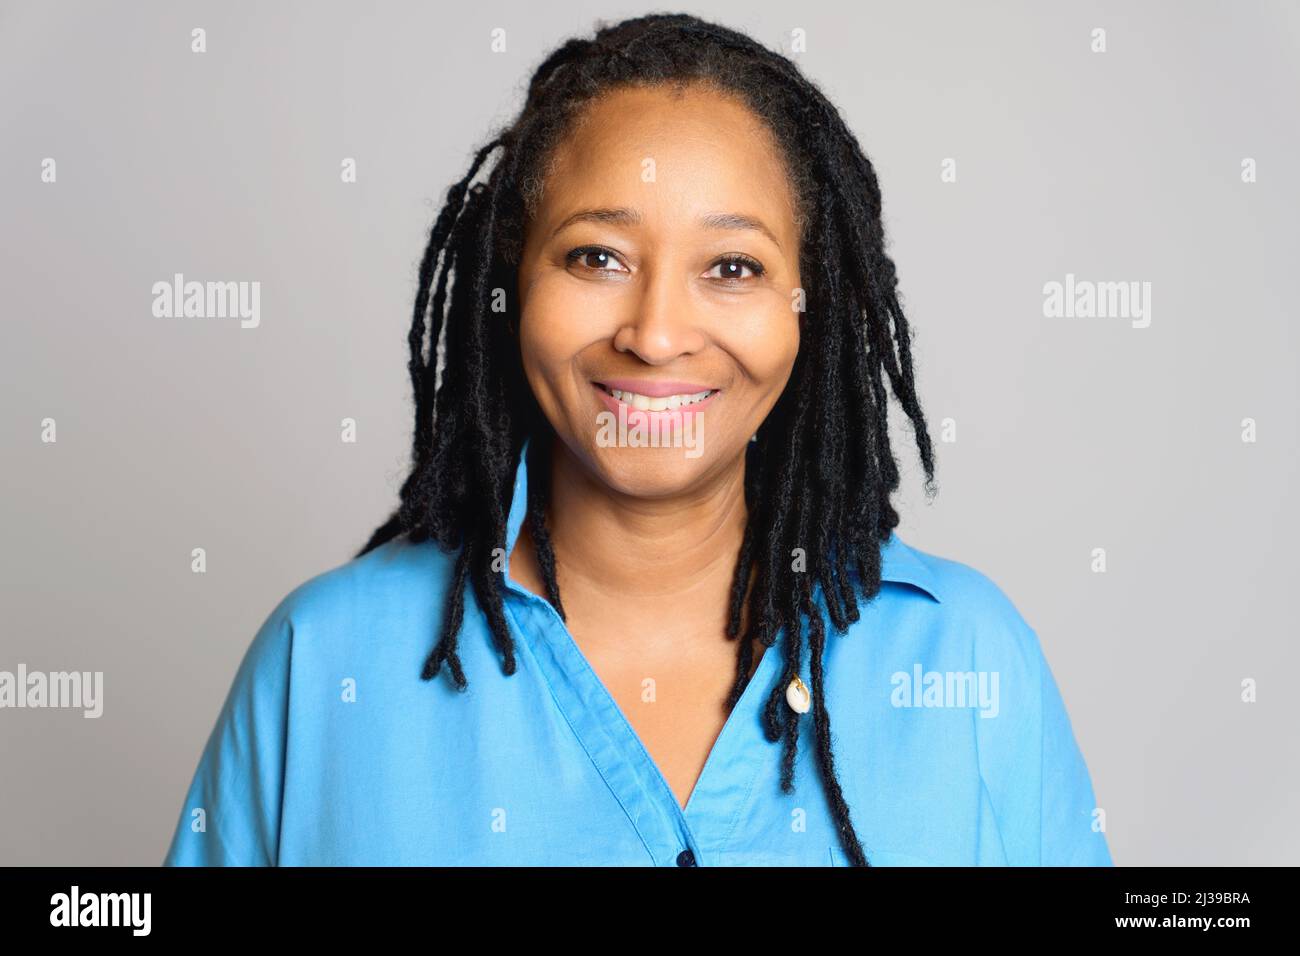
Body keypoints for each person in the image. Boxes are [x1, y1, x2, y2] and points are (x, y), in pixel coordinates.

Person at [163, 12, 1112, 867]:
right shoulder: (320, 663)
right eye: (597, 257)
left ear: (810, 307)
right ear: (513, 280)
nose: (655, 334)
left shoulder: (971, 663)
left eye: (733, 267)